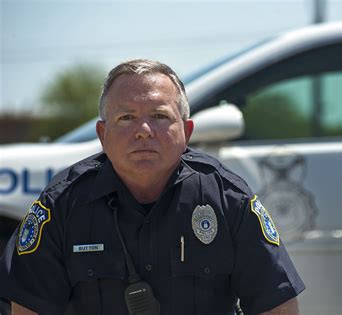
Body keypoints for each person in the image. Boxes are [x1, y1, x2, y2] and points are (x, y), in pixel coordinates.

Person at [0, 59, 305, 314]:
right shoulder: (62, 204)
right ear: (102, 133)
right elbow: (28, 308)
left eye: (160, 116)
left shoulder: (227, 198)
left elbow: (277, 306)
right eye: (126, 117)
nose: (144, 131)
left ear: (185, 131)